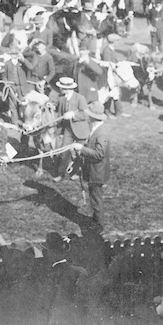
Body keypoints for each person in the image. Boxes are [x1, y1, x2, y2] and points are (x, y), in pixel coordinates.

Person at [71, 100, 112, 233]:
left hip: (97, 173)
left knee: (96, 200)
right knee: (94, 198)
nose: (86, 116)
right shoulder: (96, 129)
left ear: (93, 117)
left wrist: (81, 149)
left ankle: (99, 226)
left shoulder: (102, 133)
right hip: (95, 171)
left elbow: (99, 154)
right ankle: (95, 221)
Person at [53, 77, 89, 183]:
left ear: (66, 88)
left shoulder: (80, 98)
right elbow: (60, 114)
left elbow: (85, 114)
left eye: (61, 88)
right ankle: (61, 173)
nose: (60, 89)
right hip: (68, 129)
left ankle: (77, 172)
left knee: (79, 153)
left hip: (80, 129)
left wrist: (73, 115)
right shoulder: (62, 98)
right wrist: (58, 131)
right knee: (64, 151)